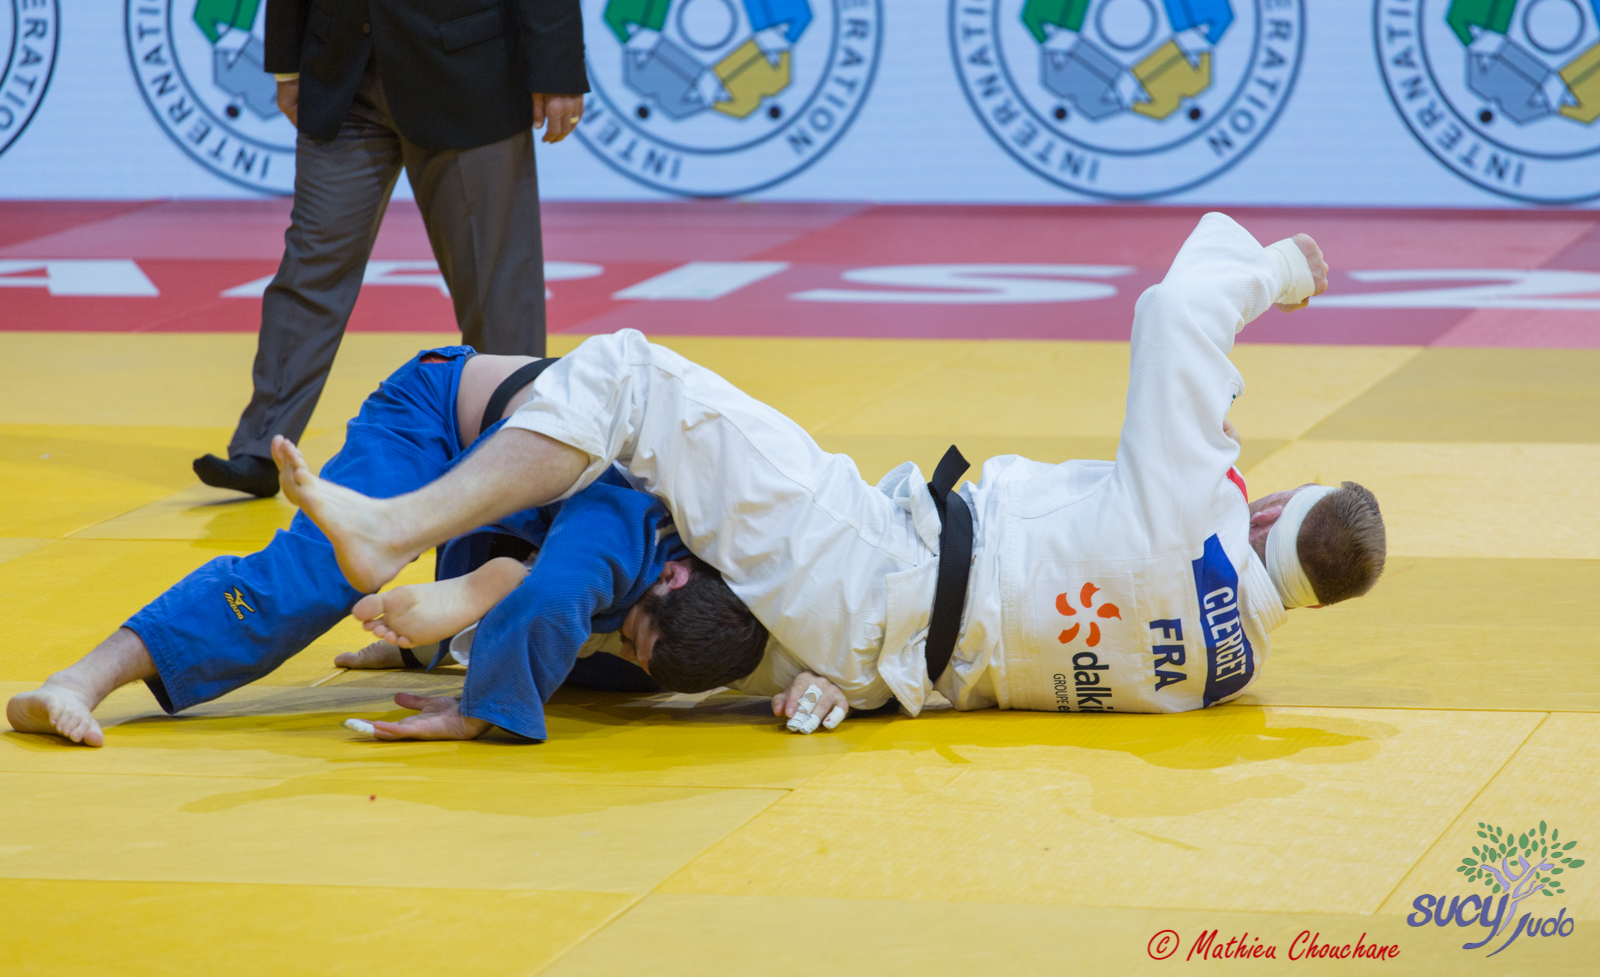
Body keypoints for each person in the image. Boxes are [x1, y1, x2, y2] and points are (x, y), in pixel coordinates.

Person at [271, 212, 1388, 731]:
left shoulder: (1198, 519)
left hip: (871, 565)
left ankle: (398, 528)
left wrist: (1277, 272)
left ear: (1272, 512)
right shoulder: (1223, 674)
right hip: (870, 677)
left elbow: (1179, 312)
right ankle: (476, 646)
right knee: (666, 612)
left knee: (633, 381)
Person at [8, 349, 767, 747]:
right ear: (674, 574)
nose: (626, 644)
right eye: (636, 631)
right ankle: (78, 681)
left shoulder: (750, 573)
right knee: (318, 580)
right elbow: (553, 599)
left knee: (628, 677)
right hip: (438, 418)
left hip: (517, 507)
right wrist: (483, 713)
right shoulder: (625, 529)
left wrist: (820, 687)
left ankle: (442, 629)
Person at [194, 0, 589, 497]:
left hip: (468, 77)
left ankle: (516, 452)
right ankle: (259, 447)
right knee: (311, 262)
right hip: (344, 77)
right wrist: (287, 64)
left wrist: (558, 70)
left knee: (496, 285)